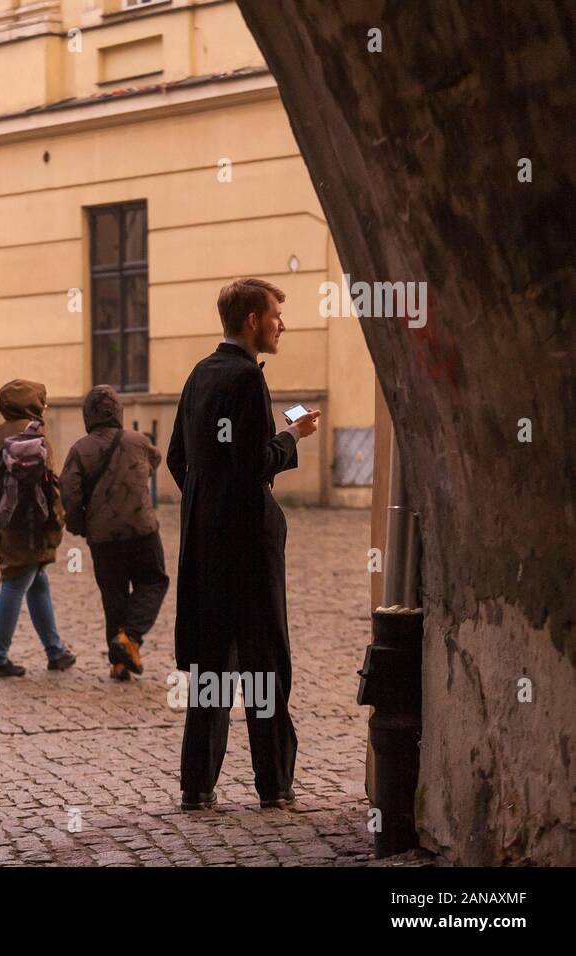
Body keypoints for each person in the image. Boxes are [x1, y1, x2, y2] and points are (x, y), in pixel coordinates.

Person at [166, 278, 320, 811]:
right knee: (264, 663)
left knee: (211, 665)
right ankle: (274, 784)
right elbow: (255, 461)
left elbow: (177, 458)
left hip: (206, 548)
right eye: (276, 314)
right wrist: (293, 437)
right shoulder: (247, 380)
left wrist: (208, 502)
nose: (282, 324)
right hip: (250, 550)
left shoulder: (199, 374)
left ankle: (197, 785)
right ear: (253, 320)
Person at [60, 385, 169, 682]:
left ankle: (119, 662)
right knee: (153, 581)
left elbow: (68, 492)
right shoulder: (137, 441)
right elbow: (155, 461)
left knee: (114, 595)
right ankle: (129, 639)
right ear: (118, 412)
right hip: (142, 529)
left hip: (103, 537)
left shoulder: (79, 449)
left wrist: (79, 524)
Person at [0, 379, 76, 677]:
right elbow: (52, 485)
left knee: (36, 580)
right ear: (33, 404)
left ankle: (55, 650)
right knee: (16, 581)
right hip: (34, 524)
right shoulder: (36, 433)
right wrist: (60, 519)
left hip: (7, 522)